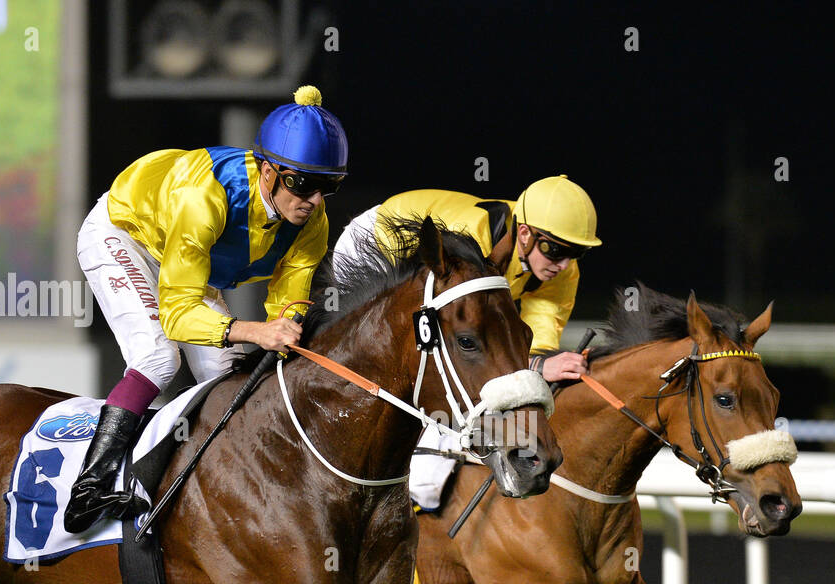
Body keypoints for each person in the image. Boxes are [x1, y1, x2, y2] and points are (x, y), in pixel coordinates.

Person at [63, 85, 347, 533]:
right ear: (267, 171)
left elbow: (286, 306)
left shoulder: (313, 223)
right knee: (159, 356)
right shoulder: (207, 197)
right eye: (301, 183)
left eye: (326, 186)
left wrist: (288, 333)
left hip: (193, 262)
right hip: (126, 234)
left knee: (226, 374)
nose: (312, 200)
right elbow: (178, 314)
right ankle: (90, 487)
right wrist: (257, 332)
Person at [331, 176, 601, 510]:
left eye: (576, 253)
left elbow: (532, 334)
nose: (562, 264)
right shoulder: (473, 237)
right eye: (555, 249)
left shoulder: (562, 272)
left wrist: (541, 365)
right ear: (526, 234)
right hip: (379, 244)